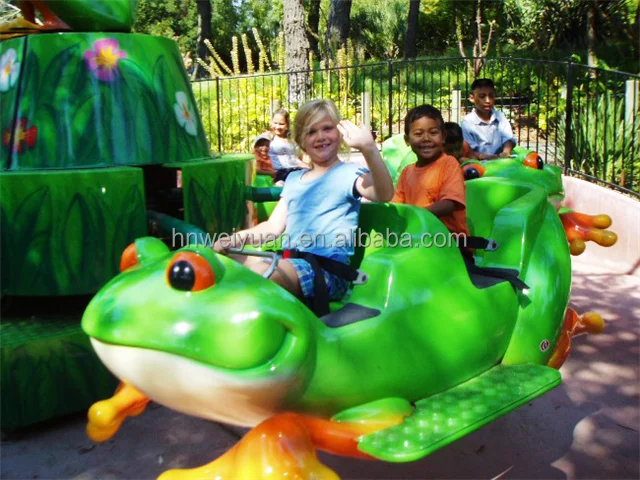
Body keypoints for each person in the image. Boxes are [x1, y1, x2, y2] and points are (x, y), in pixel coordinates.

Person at [214, 99, 394, 310]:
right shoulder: (293, 180)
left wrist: (369, 149)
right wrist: (231, 240)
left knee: (261, 272)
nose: (320, 136)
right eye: (311, 132)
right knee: (226, 263)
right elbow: (271, 228)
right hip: (291, 262)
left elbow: (383, 194)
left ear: (339, 133)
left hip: (327, 271)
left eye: (327, 128)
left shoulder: (349, 173)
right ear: (300, 140)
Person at [393, 105, 469, 241]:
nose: (426, 138)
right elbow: (397, 206)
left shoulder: (449, 164)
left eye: (433, 133)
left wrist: (415, 217)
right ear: (407, 140)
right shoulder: (406, 172)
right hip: (416, 238)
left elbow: (449, 203)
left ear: (443, 136)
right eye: (418, 134)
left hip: (449, 242)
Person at [461, 78, 516, 160]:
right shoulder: (467, 123)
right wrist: (490, 158)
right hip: (478, 164)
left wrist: (506, 152)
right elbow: (468, 151)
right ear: (472, 98)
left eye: (491, 96)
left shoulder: (500, 116)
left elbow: (508, 139)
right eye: (482, 96)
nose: (488, 100)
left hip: (501, 162)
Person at [268, 108, 306, 183]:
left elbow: (297, 159)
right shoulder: (268, 138)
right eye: (275, 123)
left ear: (287, 124)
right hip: (279, 172)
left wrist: (309, 167)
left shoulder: (292, 140)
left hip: (294, 170)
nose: (277, 127)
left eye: (281, 124)